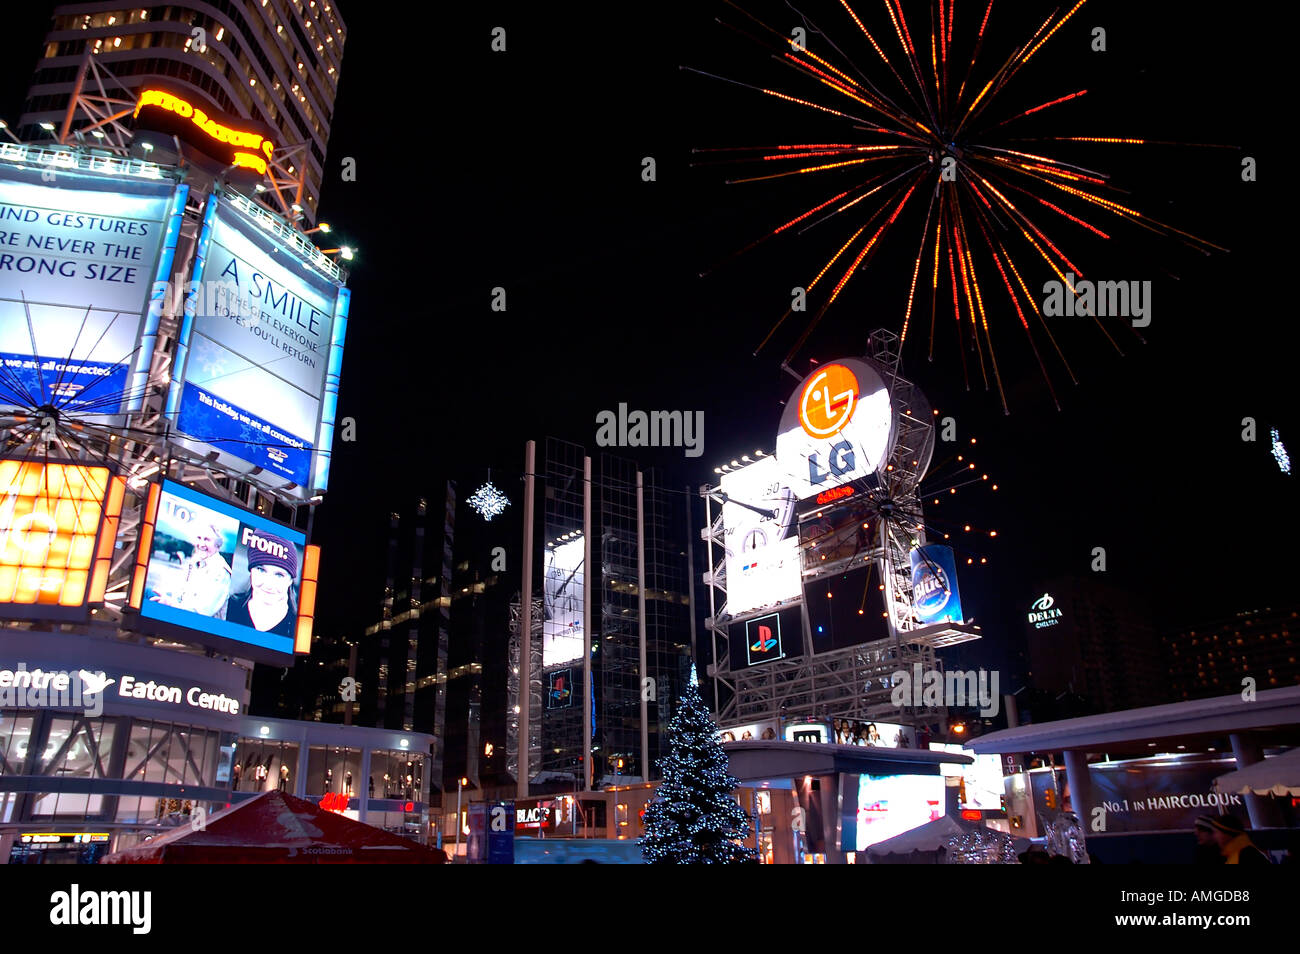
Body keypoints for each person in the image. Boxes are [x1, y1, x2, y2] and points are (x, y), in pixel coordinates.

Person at [226, 530, 298, 637]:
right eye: (261, 570)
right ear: (251, 571)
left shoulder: (297, 628)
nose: (268, 584)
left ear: (290, 581)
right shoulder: (229, 606)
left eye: (279, 575)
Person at [151, 523, 231, 617]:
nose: (201, 544)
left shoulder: (221, 572)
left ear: (217, 546)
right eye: (199, 538)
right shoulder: (195, 562)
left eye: (207, 540)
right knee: (147, 593)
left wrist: (170, 604)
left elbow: (201, 614)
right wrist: (166, 595)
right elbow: (180, 594)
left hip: (199, 627)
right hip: (180, 615)